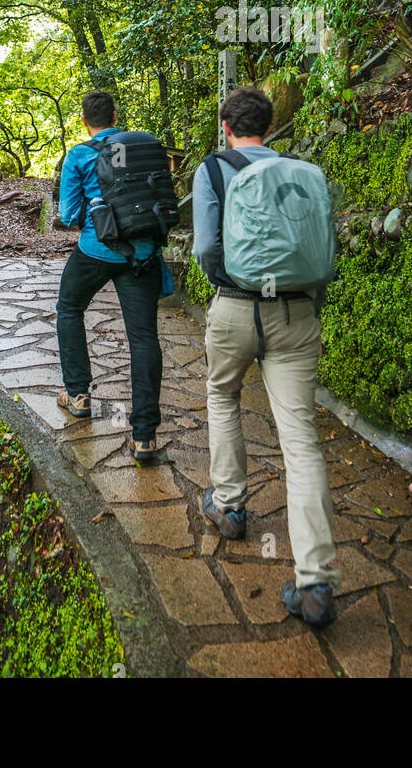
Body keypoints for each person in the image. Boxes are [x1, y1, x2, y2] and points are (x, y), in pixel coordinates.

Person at [192, 85, 341, 627]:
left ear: (227, 128)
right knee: (300, 438)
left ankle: (229, 506)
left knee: (222, 394)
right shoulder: (299, 172)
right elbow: (321, 246)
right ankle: (316, 581)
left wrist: (229, 286)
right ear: (270, 129)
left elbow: (206, 247)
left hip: (234, 309)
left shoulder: (212, 170)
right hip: (296, 313)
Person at [55, 90, 174, 462]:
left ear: (83, 121)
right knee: (142, 338)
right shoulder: (140, 147)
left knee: (69, 308)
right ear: (116, 115)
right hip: (141, 254)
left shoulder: (79, 154)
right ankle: (144, 437)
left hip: (96, 250)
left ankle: (78, 395)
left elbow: (67, 213)